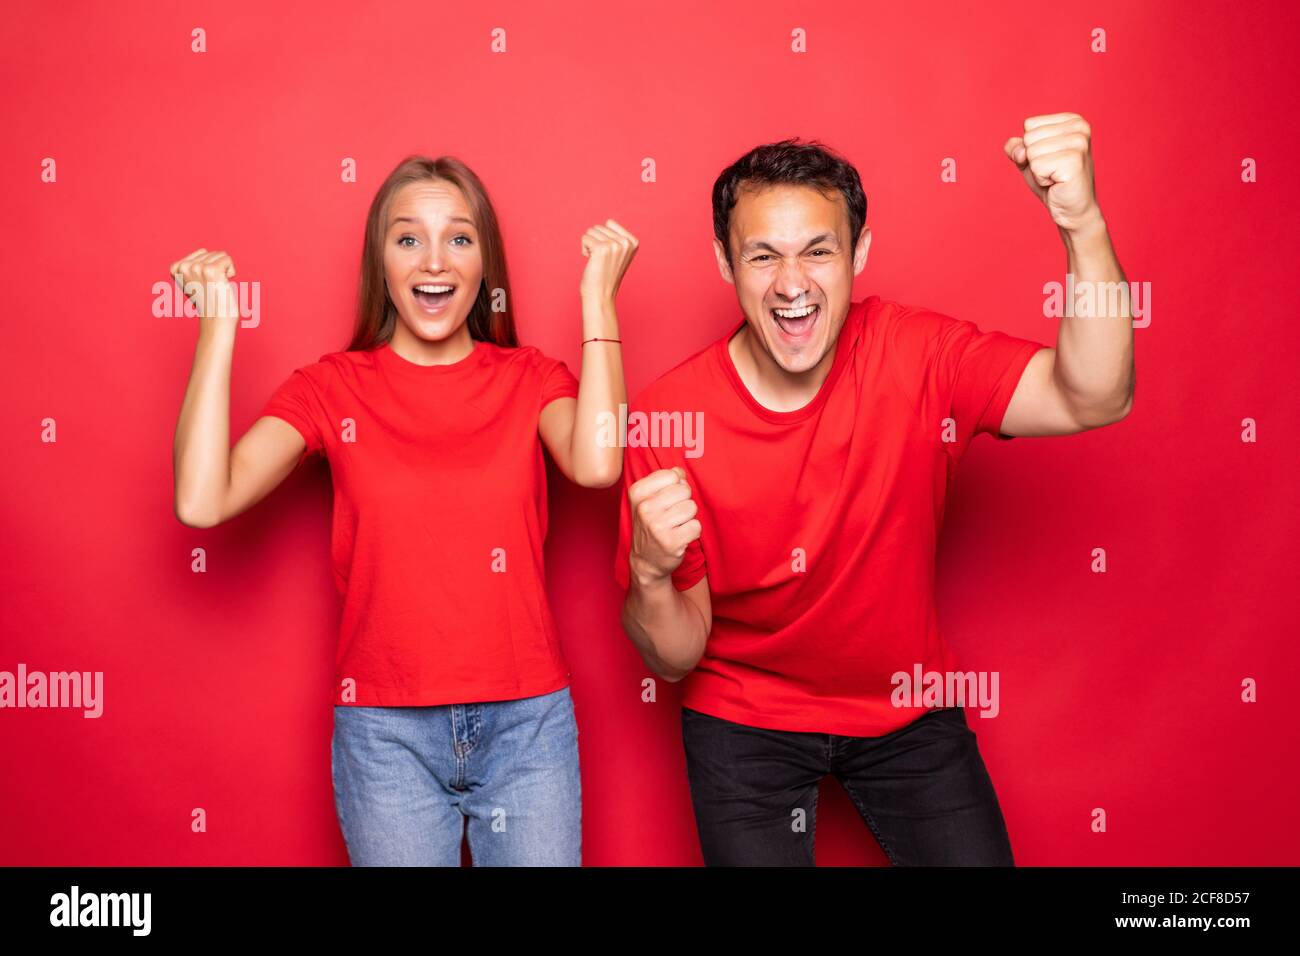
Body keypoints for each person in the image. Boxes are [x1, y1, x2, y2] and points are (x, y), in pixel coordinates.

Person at [615, 115, 1135, 865]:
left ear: (858, 252)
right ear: (726, 264)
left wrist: (1081, 224)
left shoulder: (919, 355)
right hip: (744, 716)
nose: (792, 284)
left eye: (818, 252)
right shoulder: (670, 417)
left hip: (906, 708)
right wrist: (650, 572)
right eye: (762, 256)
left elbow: (1095, 396)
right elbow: (674, 656)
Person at [170, 154, 636, 866]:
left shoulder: (529, 379)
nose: (434, 260)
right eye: (408, 237)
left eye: (459, 237)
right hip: (384, 733)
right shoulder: (332, 388)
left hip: (527, 726)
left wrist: (599, 302)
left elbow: (600, 462)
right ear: (380, 261)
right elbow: (203, 500)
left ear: (485, 263)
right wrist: (218, 330)